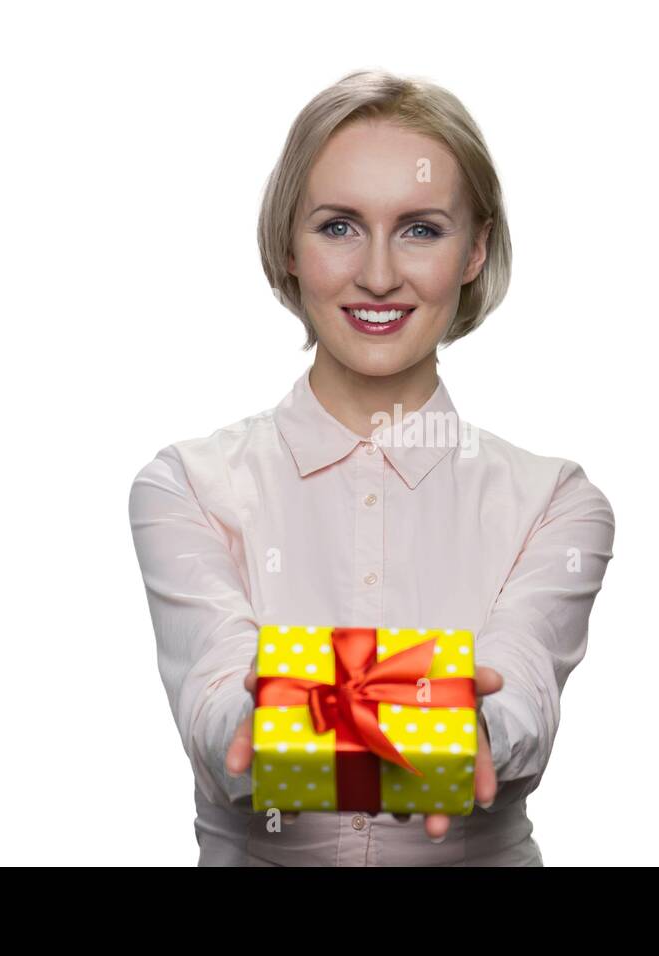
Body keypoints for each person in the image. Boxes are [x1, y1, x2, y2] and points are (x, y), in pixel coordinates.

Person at [128, 69, 615, 865]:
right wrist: (425, 726)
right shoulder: (184, 486)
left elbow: (518, 700)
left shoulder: (555, 503)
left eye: (421, 228)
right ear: (288, 243)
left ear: (475, 249)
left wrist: (313, 711)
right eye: (339, 226)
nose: (380, 275)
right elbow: (220, 722)